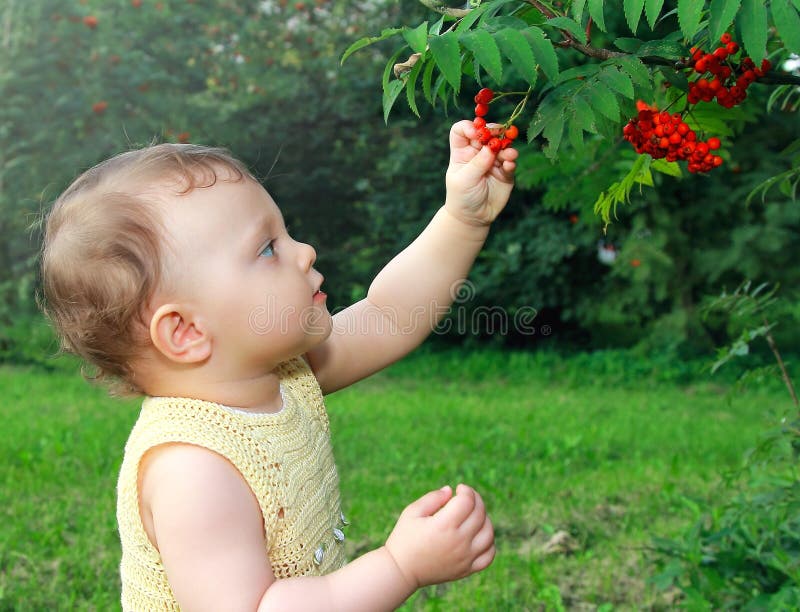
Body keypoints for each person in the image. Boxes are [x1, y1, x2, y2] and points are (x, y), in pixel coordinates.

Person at [41, 119, 518, 611]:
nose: (305, 252)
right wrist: (399, 566)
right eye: (268, 248)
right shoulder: (194, 469)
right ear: (186, 332)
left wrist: (463, 219)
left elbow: (390, 315)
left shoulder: (284, 372)